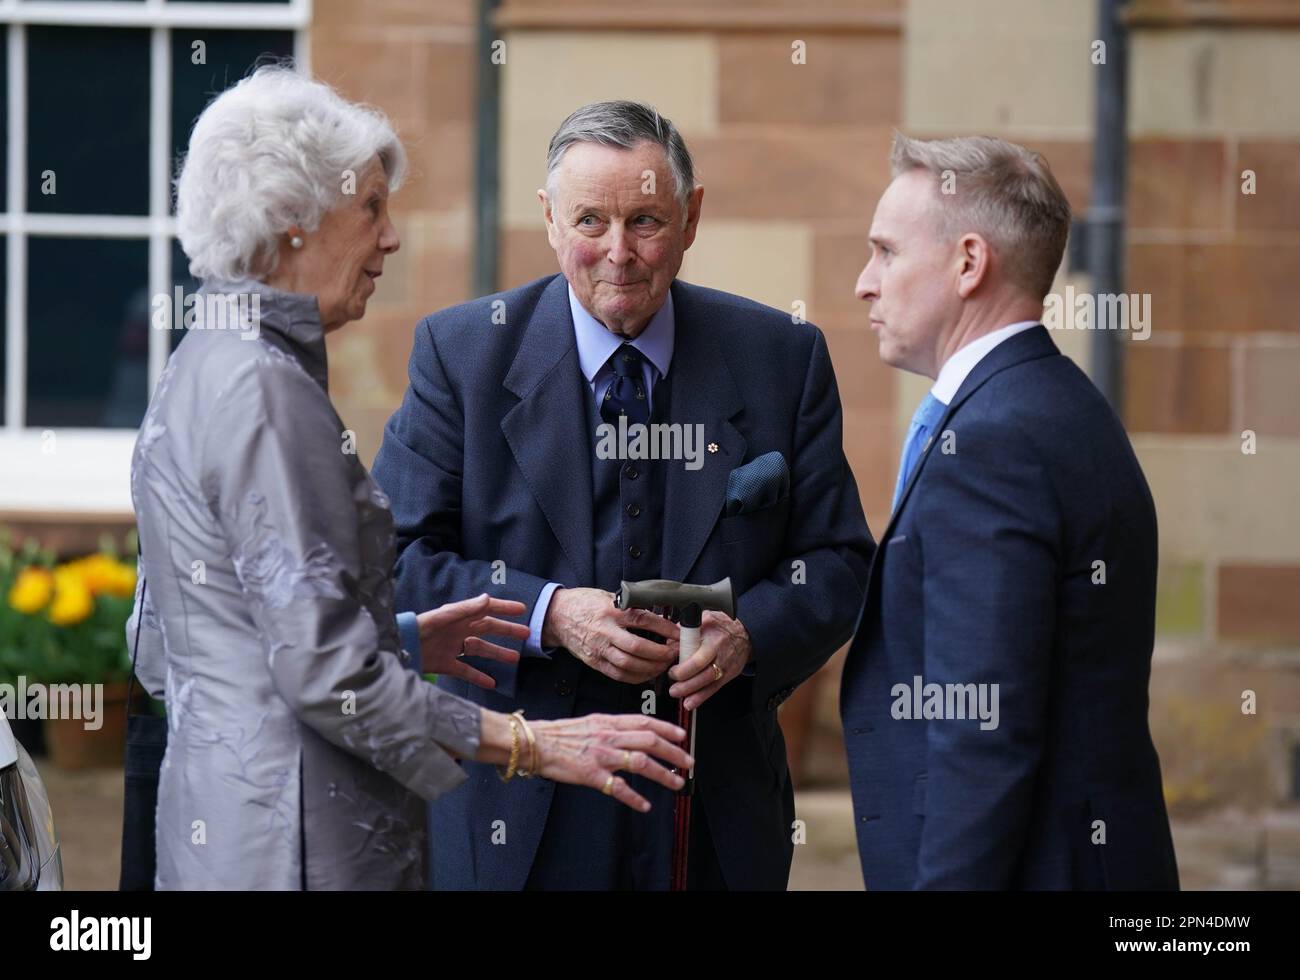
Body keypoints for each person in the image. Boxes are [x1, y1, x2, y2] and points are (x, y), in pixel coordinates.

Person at [127, 68, 690, 891]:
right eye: (371, 209)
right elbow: (327, 679)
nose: (391, 238)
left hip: (234, 826)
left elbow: (194, 645)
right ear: (293, 223)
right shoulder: (265, 393)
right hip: (302, 844)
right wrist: (533, 744)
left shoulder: (207, 358)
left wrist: (399, 639)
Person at [372, 100, 874, 890]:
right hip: (519, 813)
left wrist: (749, 637)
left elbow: (840, 562)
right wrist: (549, 615)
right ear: (547, 219)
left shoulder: (784, 356)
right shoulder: (459, 354)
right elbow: (392, 562)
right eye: (590, 221)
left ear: (692, 215)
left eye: (645, 220)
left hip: (717, 819)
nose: (619, 254)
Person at [840, 133, 1179, 889]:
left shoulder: (993, 442)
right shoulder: (1060, 404)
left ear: (969, 263)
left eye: (886, 252)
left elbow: (982, 730)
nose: (865, 283)